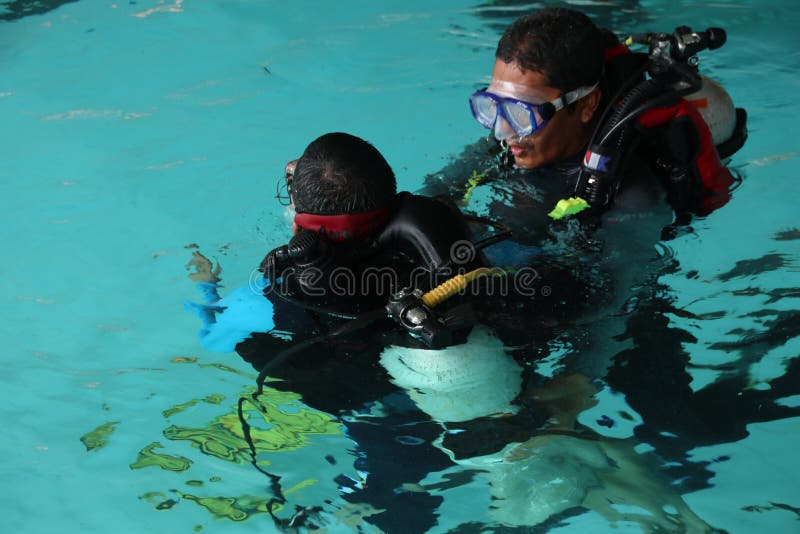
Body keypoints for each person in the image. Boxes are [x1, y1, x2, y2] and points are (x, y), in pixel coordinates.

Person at [425, 7, 746, 228]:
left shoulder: (632, 195)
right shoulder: (513, 139)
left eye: (521, 111)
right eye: (492, 106)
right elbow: (435, 192)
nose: (502, 129)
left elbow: (612, 301)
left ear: (588, 104)